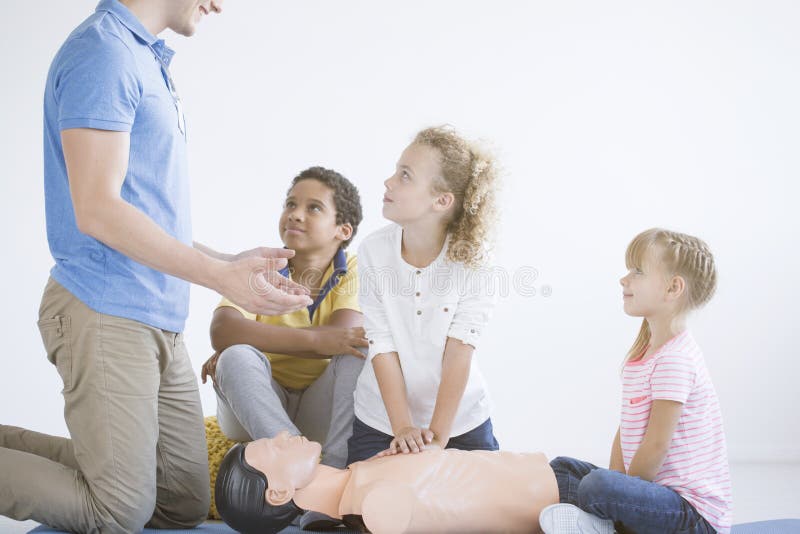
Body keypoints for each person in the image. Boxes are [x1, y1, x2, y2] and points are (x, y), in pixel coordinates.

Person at [0, 1, 312, 532]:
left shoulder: (141, 58)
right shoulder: (104, 53)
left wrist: (227, 261)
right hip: (105, 308)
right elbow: (97, 209)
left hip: (155, 316)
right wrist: (217, 278)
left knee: (180, 503)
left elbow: (139, 213)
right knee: (118, 510)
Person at [539, 229, 732, 534]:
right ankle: (600, 520)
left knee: (598, 486)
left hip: (692, 518)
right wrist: (615, 487)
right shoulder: (644, 354)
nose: (624, 279)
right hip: (653, 494)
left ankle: (605, 524)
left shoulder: (675, 359)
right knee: (561, 468)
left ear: (673, 288)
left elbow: (656, 445)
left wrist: (613, 491)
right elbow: (627, 428)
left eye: (637, 271)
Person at [200, 167, 366, 521]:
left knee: (360, 352)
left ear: (343, 230)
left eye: (314, 207)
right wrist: (316, 341)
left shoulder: (355, 271)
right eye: (290, 203)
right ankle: (298, 469)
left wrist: (256, 335)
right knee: (236, 357)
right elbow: (224, 330)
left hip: (317, 411)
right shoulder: (259, 267)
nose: (295, 213)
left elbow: (345, 339)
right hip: (255, 409)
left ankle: (331, 478)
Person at [348, 126, 501, 464]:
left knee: (476, 516)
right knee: (366, 513)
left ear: (441, 200)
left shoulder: (475, 258)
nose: (388, 181)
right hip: (381, 420)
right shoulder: (374, 250)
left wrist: (437, 440)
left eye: (405, 176)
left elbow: (459, 349)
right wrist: (402, 428)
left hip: (461, 423)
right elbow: (382, 343)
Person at [215, 432, 559, 534]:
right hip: (558, 497)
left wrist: (426, 451)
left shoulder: (363, 476)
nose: (283, 434)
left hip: (547, 471)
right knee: (605, 490)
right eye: (273, 447)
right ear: (278, 493)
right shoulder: (376, 509)